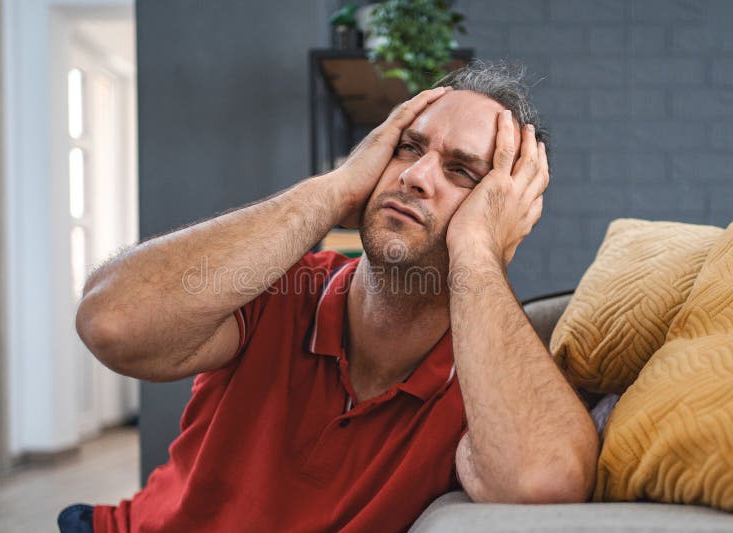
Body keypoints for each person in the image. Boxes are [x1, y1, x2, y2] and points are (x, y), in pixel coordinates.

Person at [62, 60, 599, 533]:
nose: (414, 176)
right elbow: (110, 321)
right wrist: (336, 187)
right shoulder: (276, 286)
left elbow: (542, 484)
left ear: (506, 210)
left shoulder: (489, 378)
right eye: (407, 147)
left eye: (460, 170)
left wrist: (479, 250)